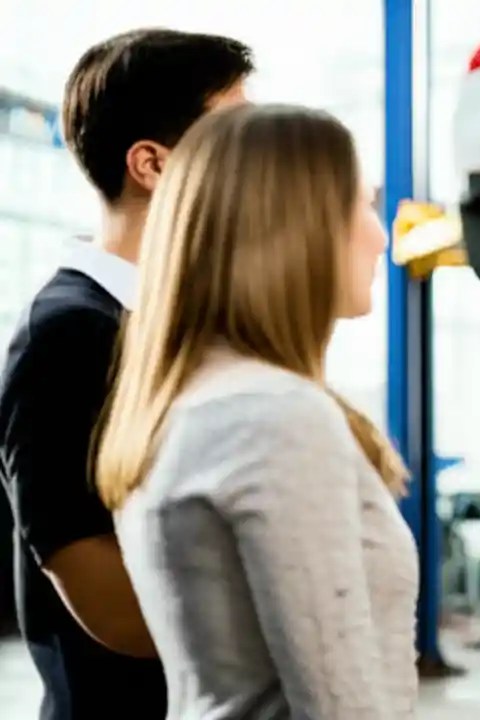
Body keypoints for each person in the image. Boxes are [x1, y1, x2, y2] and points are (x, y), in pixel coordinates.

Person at [94, 103, 419, 719]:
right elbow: (340, 707)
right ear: (291, 228)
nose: (380, 235)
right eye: (361, 206)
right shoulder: (274, 417)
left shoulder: (191, 401)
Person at [0, 28, 252, 719]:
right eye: (235, 142)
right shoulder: (70, 336)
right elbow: (116, 613)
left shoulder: (175, 325)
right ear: (153, 165)